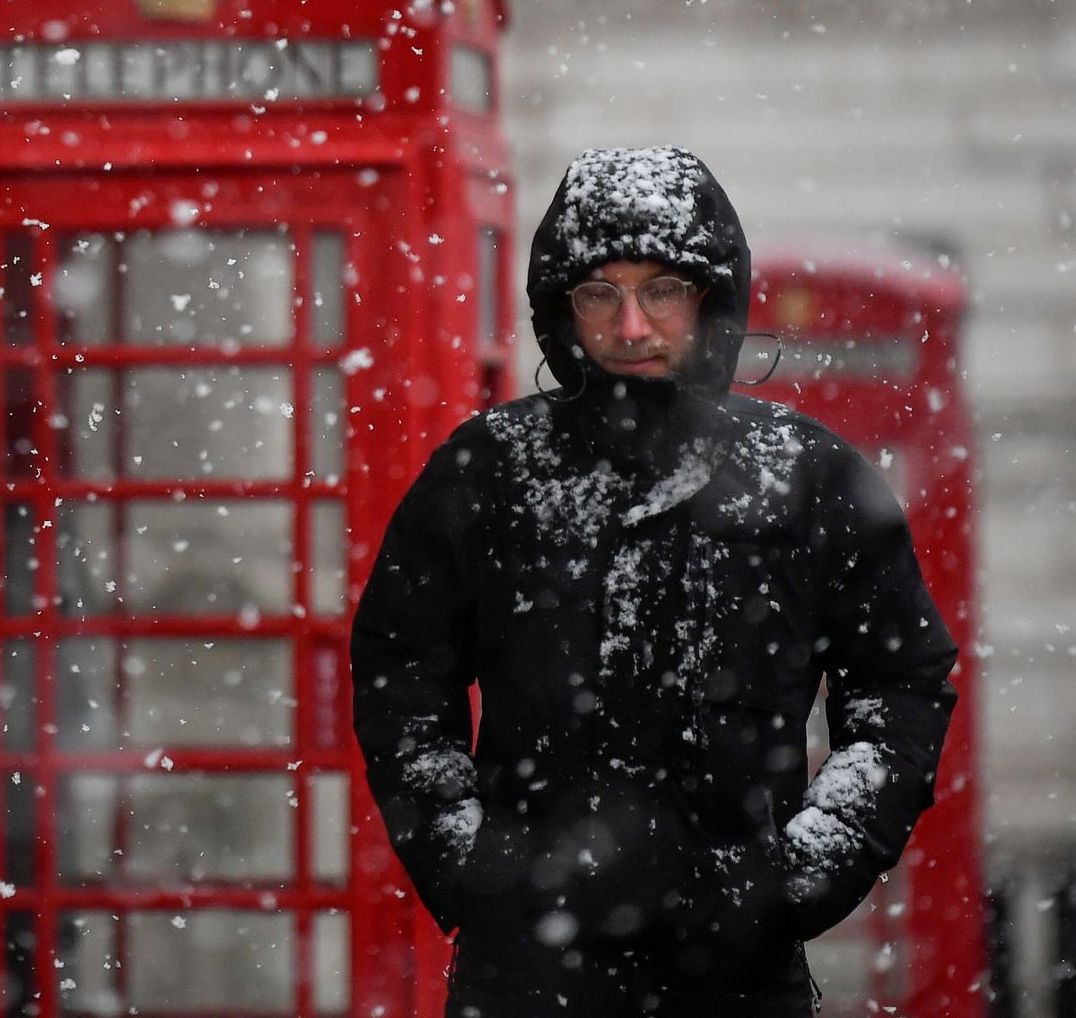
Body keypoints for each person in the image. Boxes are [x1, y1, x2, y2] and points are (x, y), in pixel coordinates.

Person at [351, 147, 959, 1016]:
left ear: (710, 298)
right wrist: (467, 859)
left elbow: (902, 683)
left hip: (738, 980)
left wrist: (809, 868)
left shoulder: (806, 474)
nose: (631, 326)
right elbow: (400, 671)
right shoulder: (490, 470)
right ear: (561, 307)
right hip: (526, 977)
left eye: (661, 291)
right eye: (599, 293)